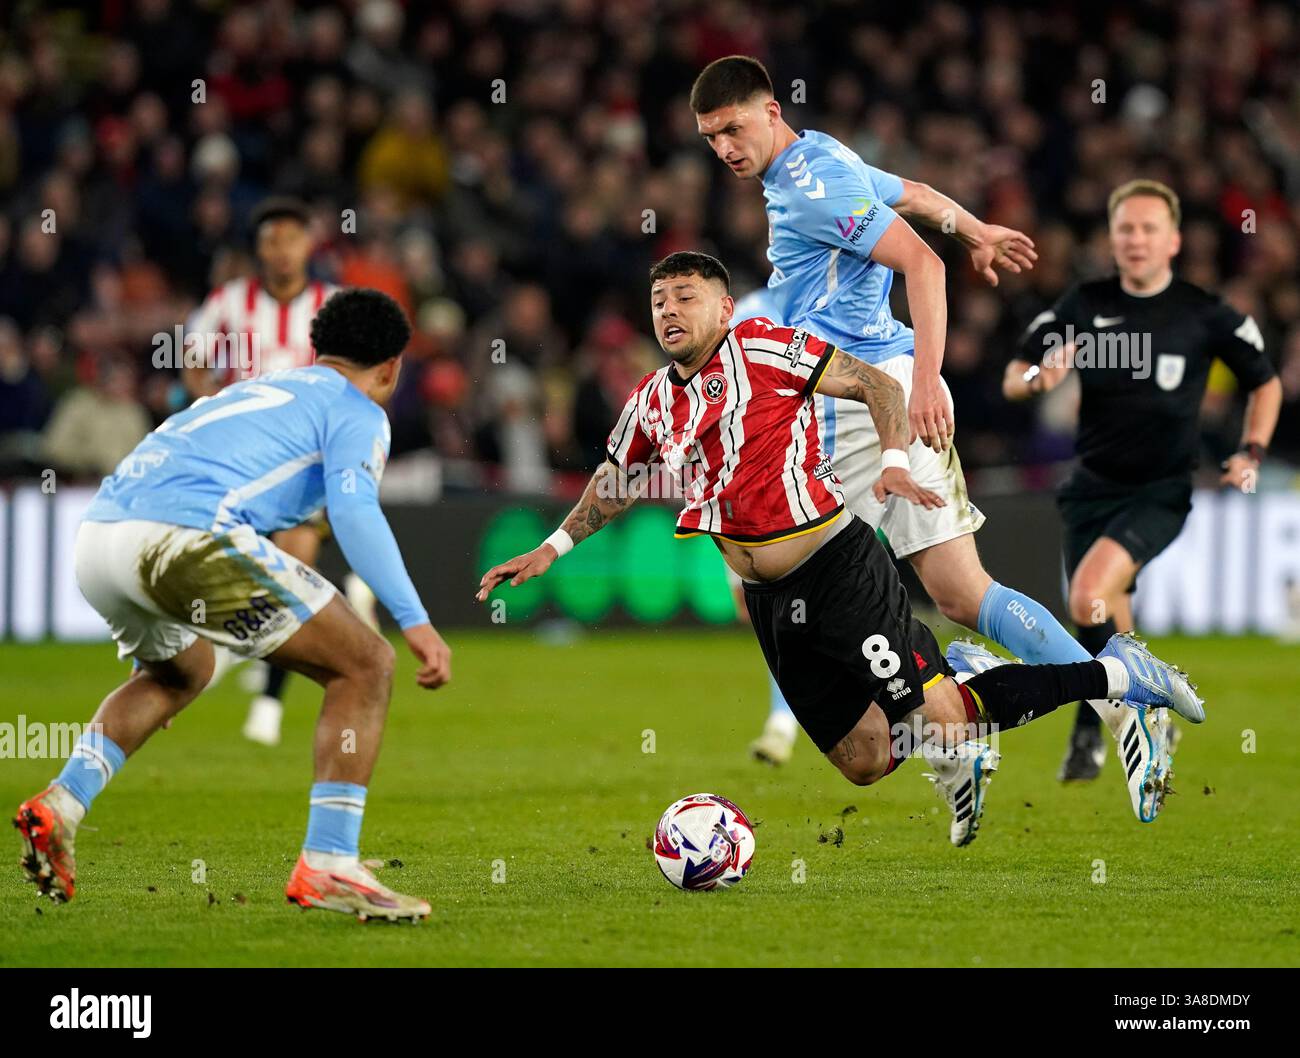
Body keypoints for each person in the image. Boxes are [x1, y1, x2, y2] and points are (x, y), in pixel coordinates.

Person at [477, 253, 1203, 845]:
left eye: (686, 297)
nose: (668, 310)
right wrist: (553, 546)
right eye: (660, 299)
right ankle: (968, 677)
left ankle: (1111, 675)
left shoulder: (763, 348)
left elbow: (873, 383)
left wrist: (892, 458)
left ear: (725, 310)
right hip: (769, 601)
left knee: (942, 721)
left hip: (837, 569)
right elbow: (618, 477)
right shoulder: (650, 400)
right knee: (861, 760)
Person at [687, 58, 1143, 801]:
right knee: (957, 591)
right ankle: (1099, 695)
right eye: (711, 139)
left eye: (733, 129)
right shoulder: (821, 156)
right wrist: (979, 229)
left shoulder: (810, 185)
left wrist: (926, 378)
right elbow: (922, 199)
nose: (724, 149)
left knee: (773, 571)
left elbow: (921, 264)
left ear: (770, 111)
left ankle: (984, 705)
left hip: (866, 400)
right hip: (853, 397)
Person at [14, 288, 451, 921]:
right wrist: (415, 619)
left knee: (182, 670)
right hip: (187, 537)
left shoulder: (265, 388)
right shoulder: (358, 409)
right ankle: (329, 864)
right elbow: (355, 511)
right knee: (366, 665)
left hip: (97, 537)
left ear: (317, 349)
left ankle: (62, 803)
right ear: (391, 367)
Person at [1004, 179, 1281, 781]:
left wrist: (1251, 450)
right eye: (1125, 228)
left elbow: (1266, 381)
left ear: (1174, 240)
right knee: (1106, 617)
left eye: (1148, 229)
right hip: (1090, 488)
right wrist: (1038, 381)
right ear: (1112, 238)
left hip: (1160, 492)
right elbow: (1016, 374)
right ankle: (1151, 723)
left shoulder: (1204, 312)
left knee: (1086, 594)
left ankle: (1087, 737)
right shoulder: (1084, 303)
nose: (1135, 239)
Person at [184, 196, 377, 747]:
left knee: (292, 563)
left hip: (304, 461)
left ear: (309, 246)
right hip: (239, 459)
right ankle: (343, 588)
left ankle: (268, 702)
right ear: (260, 248)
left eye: (292, 238)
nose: (282, 249)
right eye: (272, 239)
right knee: (254, 572)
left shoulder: (332, 303)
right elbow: (193, 359)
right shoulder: (229, 301)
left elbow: (369, 370)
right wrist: (211, 405)